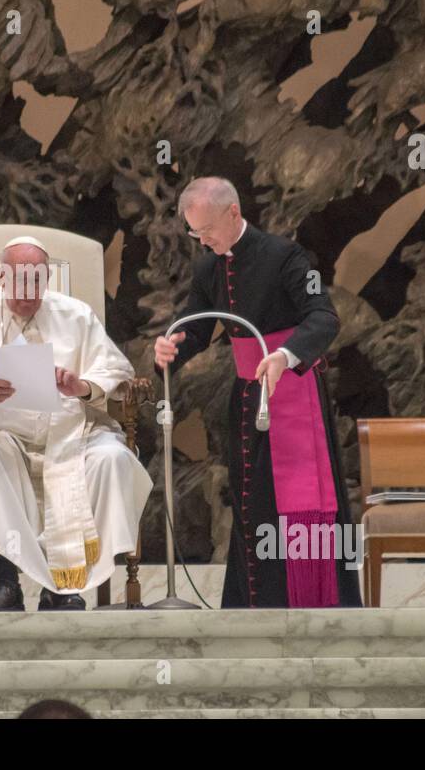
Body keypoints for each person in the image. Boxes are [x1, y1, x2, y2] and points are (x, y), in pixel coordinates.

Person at [154, 177, 362, 609]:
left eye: (206, 229)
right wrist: (169, 348)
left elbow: (324, 318)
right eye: (193, 232)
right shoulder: (208, 266)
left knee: (290, 505)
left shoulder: (287, 256)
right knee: (252, 506)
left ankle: (307, 603)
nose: (201, 239)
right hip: (247, 399)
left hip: (294, 394)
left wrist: (286, 356)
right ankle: (253, 605)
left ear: (233, 213)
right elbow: (194, 327)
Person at [0, 236, 153, 611]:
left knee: (113, 458)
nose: (27, 295)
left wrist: (83, 385)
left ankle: (66, 586)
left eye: (36, 284)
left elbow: (116, 370)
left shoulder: (75, 314)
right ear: (0, 277)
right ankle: (4, 582)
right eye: (18, 284)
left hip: (70, 431)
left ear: (46, 278)